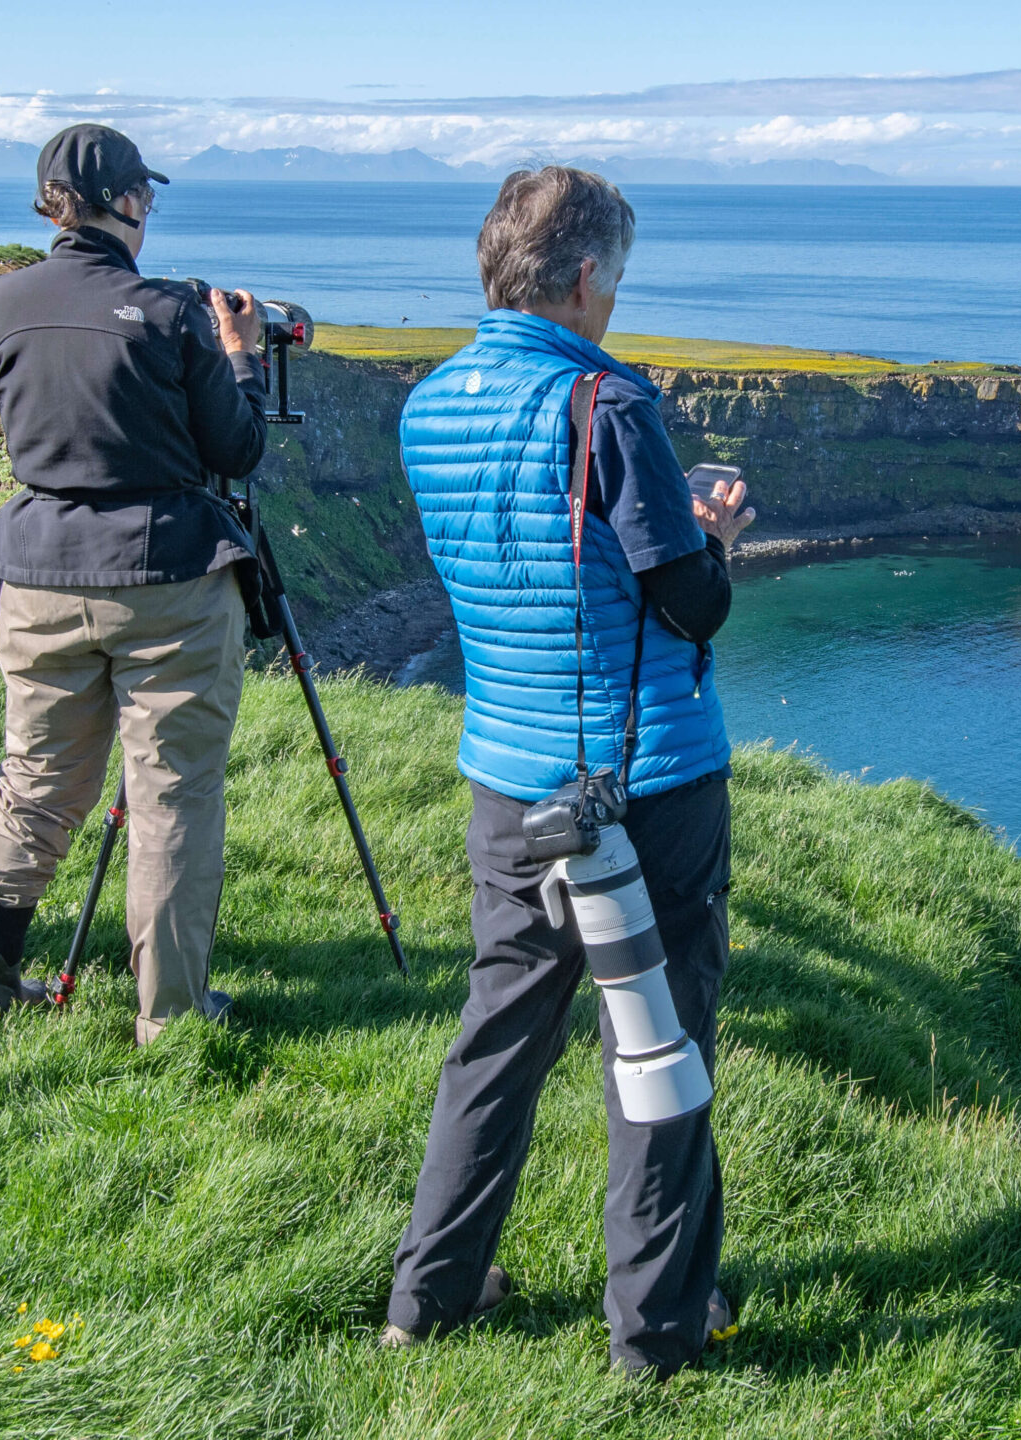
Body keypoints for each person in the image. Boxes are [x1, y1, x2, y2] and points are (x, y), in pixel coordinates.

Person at [387, 166, 756, 1380]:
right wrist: (715, 538)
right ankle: (655, 1336)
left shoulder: (429, 403)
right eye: (618, 282)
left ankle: (428, 1292)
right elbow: (688, 604)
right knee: (655, 1045)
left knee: (500, 1028)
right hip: (639, 786)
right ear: (586, 275)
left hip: (505, 772)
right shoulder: (609, 404)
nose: (615, 304)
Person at [0, 124, 269, 1043]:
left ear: (52, 204)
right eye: (148, 196)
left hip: (39, 569)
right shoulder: (168, 314)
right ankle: (169, 1015)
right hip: (165, 569)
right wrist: (239, 353)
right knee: (171, 794)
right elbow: (236, 448)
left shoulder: (3, 303)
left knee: (36, 776)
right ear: (128, 202)